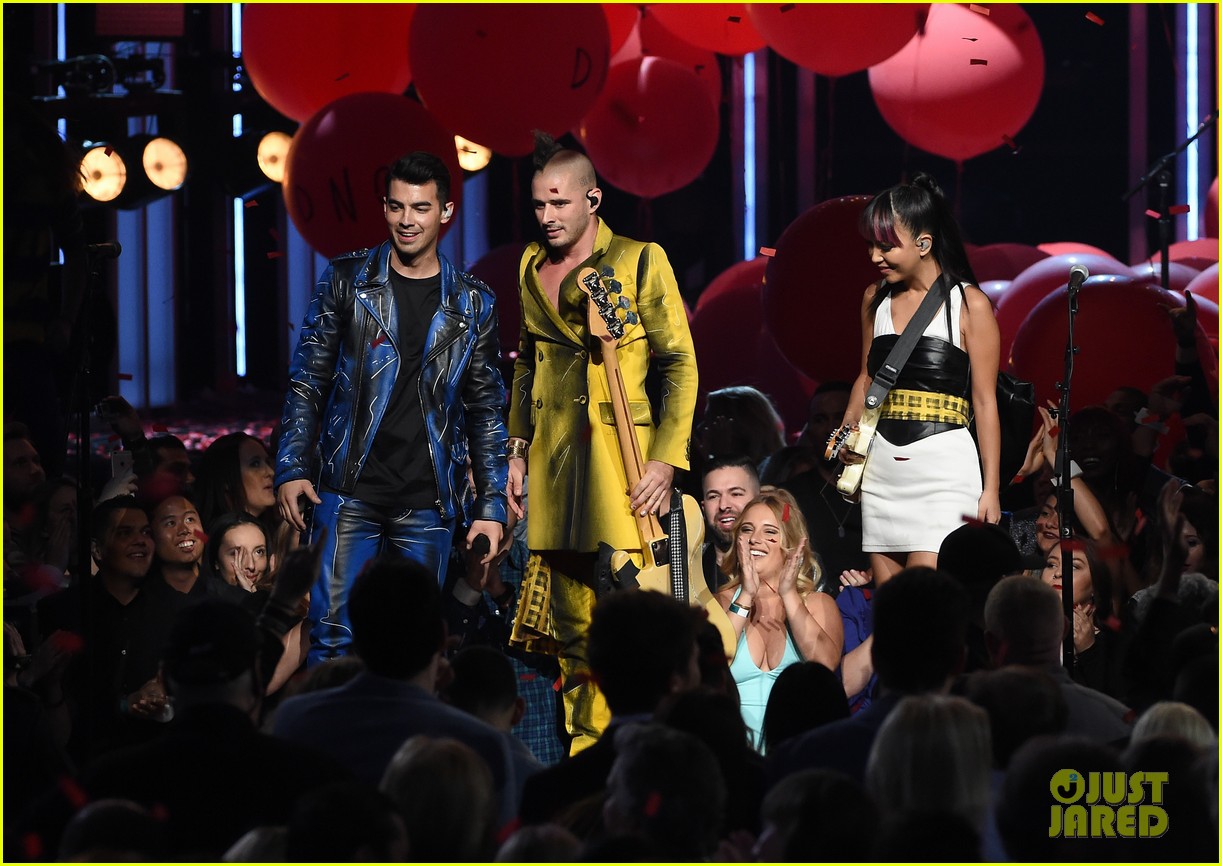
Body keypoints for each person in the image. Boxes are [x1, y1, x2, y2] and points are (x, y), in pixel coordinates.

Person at [274, 151, 509, 664]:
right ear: (384, 208)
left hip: (426, 500)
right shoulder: (346, 280)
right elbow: (307, 380)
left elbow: (486, 412)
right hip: (348, 489)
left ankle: (398, 744)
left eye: (421, 208)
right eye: (397, 206)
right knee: (333, 636)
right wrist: (291, 465)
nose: (408, 220)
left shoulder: (472, 304)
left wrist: (490, 507)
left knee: (413, 646)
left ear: (445, 213)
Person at [506, 133, 698, 751]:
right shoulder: (530, 266)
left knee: (628, 613)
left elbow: (680, 363)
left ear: (592, 198)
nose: (547, 217)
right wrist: (516, 449)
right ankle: (586, 752)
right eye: (538, 205)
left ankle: (642, 743)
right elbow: (525, 362)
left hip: (624, 467)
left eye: (558, 203)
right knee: (572, 631)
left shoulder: (640, 259)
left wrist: (667, 458)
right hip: (555, 469)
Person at [836, 173, 1001, 585]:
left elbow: (984, 402)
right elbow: (865, 377)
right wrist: (844, 436)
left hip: (944, 472)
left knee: (926, 603)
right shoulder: (874, 298)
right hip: (880, 472)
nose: (874, 256)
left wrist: (991, 488)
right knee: (892, 616)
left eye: (886, 245)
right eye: (871, 245)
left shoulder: (969, 304)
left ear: (923, 244)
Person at [716, 488, 842, 749]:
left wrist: (788, 594)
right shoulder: (722, 602)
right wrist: (747, 595)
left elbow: (825, 665)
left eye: (770, 532)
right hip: (735, 755)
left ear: (792, 544)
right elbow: (710, 666)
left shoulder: (818, 604)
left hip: (795, 753)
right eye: (747, 530)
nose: (755, 539)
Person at [700, 454, 761, 580]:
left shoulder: (793, 564)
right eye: (713, 496)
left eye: (736, 494)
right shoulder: (688, 571)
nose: (723, 505)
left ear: (759, 500)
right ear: (703, 507)